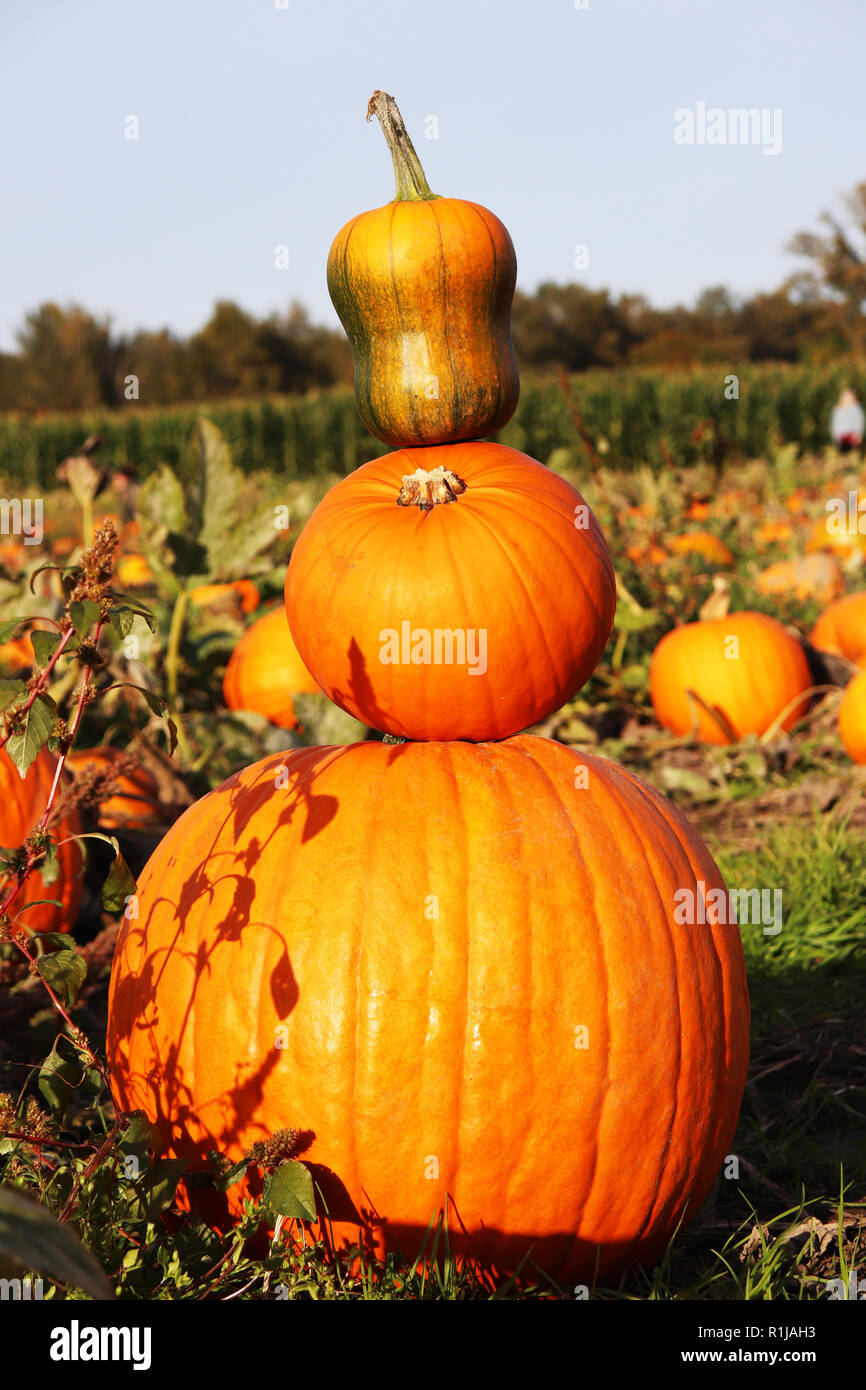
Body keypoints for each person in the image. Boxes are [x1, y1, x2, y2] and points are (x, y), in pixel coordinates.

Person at [830, 388, 864, 452]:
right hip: (841, 435)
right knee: (843, 451)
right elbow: (835, 424)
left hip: (852, 435)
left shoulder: (856, 409)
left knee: (853, 451)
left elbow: (859, 422)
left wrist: (858, 434)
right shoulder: (838, 410)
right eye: (846, 398)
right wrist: (836, 435)